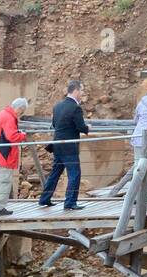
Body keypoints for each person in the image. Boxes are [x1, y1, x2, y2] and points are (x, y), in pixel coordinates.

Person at [38, 80, 90, 211]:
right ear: (76, 90)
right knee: (74, 174)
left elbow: (55, 125)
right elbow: (80, 127)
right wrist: (87, 127)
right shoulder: (76, 108)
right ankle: (70, 202)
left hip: (57, 144)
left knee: (55, 173)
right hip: (69, 146)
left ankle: (44, 199)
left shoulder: (58, 106)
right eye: (82, 90)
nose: (83, 93)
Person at [0, 97, 28, 216]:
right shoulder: (9, 118)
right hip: (3, 154)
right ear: (19, 108)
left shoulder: (2, 113)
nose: (21, 114)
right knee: (4, 181)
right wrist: (22, 135)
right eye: (22, 111)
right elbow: (11, 136)